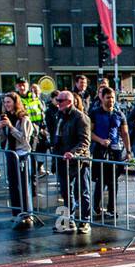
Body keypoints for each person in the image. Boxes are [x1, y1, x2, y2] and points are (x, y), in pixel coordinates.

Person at [50, 89, 91, 234]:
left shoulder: (80, 118)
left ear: (69, 102)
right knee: (66, 191)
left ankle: (85, 221)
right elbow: (57, 138)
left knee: (83, 191)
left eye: (60, 101)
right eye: (57, 100)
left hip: (79, 161)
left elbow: (84, 141)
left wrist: (73, 153)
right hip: (62, 160)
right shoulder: (59, 116)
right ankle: (69, 219)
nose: (58, 103)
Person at [88, 85, 129, 219]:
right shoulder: (95, 113)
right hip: (100, 150)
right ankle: (96, 205)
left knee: (113, 181)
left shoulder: (119, 114)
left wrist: (128, 151)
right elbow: (89, 132)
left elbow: (124, 133)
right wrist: (100, 140)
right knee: (101, 180)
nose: (110, 100)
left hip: (115, 151)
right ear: (102, 98)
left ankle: (112, 208)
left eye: (112, 97)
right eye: (108, 97)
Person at [0, 91, 34, 225]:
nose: (6, 105)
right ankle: (16, 212)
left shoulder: (24, 119)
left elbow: (25, 139)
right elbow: (0, 139)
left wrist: (11, 127)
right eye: (5, 102)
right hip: (10, 152)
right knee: (13, 184)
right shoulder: (5, 117)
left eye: (9, 102)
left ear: (15, 103)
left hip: (22, 154)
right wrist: (0, 128)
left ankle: (28, 213)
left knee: (23, 184)